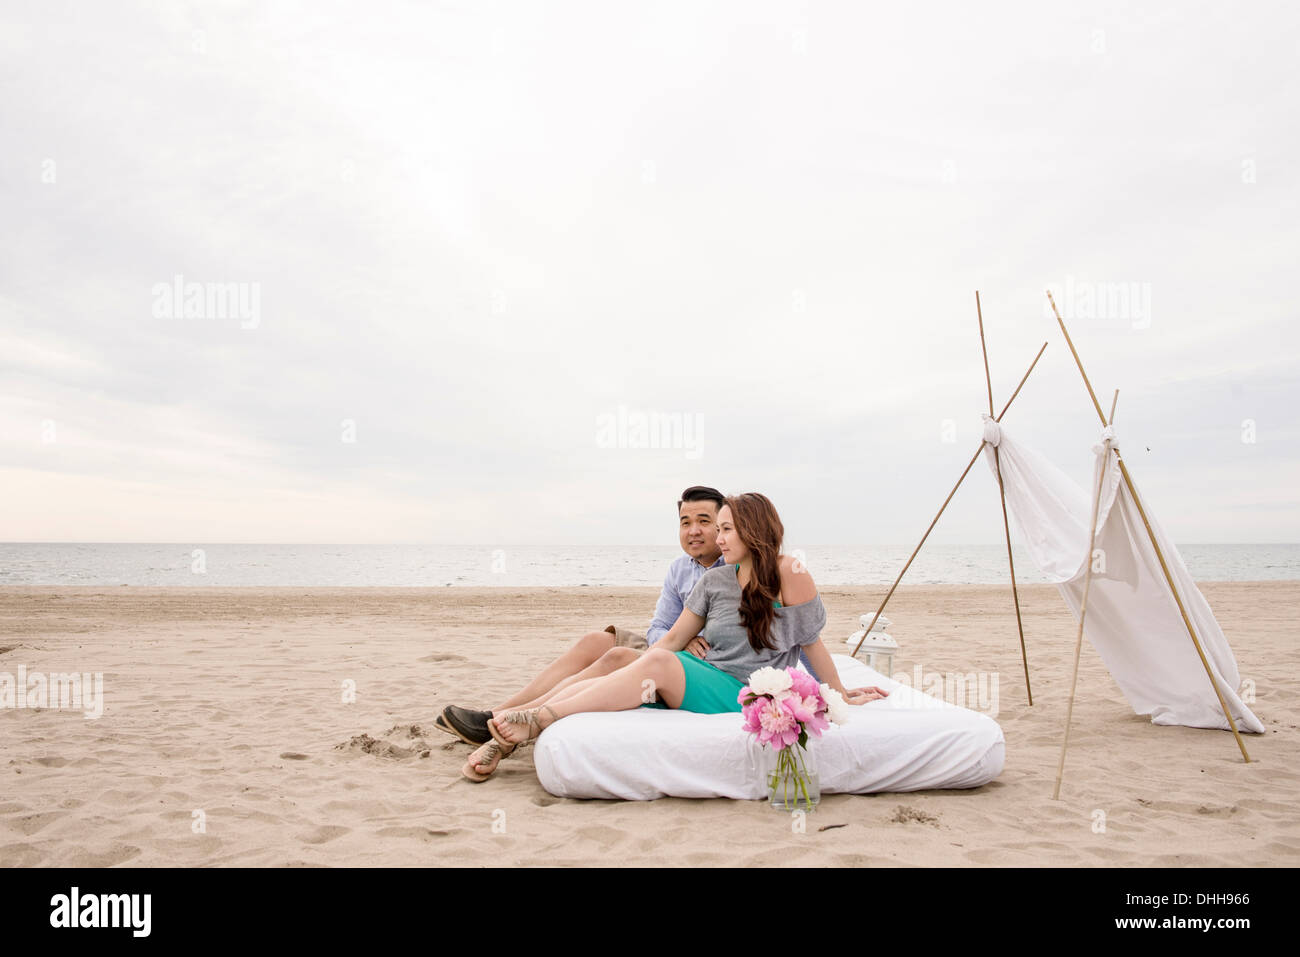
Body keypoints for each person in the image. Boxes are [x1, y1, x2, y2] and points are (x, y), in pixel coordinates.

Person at [461, 492, 887, 782]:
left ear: (754, 531)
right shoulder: (715, 581)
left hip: (744, 691)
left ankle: (537, 720)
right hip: (702, 675)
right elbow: (669, 639)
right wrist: (641, 659)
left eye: (726, 530)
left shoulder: (790, 573)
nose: (718, 540)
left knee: (659, 663)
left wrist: (840, 693)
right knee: (619, 658)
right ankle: (512, 725)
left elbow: (811, 642)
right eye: (717, 529)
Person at [436, 486, 728, 747]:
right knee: (595, 641)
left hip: (690, 663)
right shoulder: (680, 568)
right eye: (685, 523)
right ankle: (497, 712)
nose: (693, 531)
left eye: (704, 522)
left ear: (723, 527)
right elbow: (661, 626)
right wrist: (676, 640)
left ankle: (510, 720)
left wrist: (685, 642)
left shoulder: (733, 568)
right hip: (668, 645)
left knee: (616, 658)